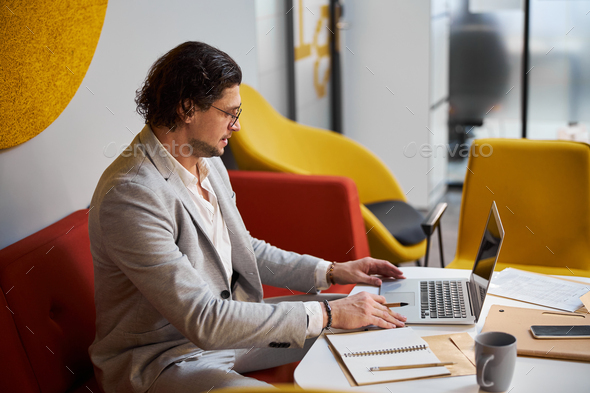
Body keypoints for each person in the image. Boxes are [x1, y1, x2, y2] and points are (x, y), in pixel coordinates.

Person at [88, 41, 407, 393]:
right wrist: (328, 315)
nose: (237, 127)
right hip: (166, 357)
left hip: (229, 332)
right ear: (187, 109)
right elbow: (204, 319)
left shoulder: (207, 162)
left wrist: (331, 271)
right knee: (336, 318)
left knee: (374, 318)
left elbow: (242, 249)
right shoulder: (131, 194)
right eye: (230, 113)